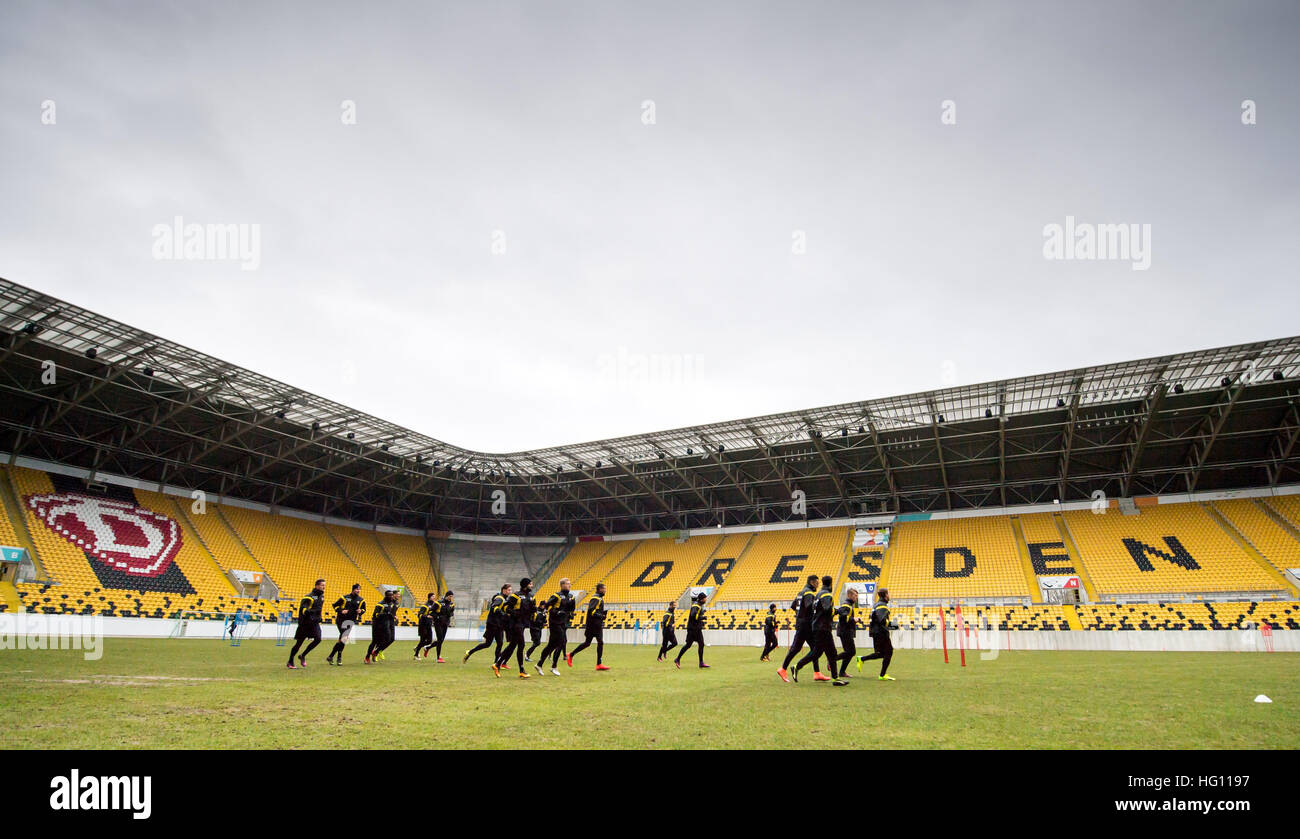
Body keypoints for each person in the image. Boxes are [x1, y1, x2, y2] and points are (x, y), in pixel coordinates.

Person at [793, 575, 846, 686]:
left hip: (818, 626)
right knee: (828, 652)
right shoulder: (826, 594)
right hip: (823, 627)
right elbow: (827, 610)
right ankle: (835, 678)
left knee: (819, 652)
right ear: (831, 584)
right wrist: (837, 611)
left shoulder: (818, 594)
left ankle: (797, 666)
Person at [778, 575, 820, 683]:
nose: (818, 584)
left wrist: (800, 614)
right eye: (816, 583)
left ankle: (817, 672)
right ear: (811, 582)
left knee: (812, 648)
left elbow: (793, 606)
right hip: (807, 625)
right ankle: (783, 668)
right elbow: (811, 608)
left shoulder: (801, 592)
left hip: (801, 623)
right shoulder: (809, 593)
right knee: (811, 648)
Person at [494, 578, 534, 678]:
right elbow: (506, 607)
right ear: (525, 585)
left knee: (512, 645)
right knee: (521, 645)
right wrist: (514, 613)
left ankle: (497, 664)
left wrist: (533, 609)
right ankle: (521, 670)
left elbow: (530, 609)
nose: (532, 585)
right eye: (530, 584)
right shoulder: (516, 595)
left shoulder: (531, 597)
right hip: (515, 624)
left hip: (523, 624)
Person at [534, 578, 575, 676]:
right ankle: (554, 666)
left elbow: (572, 608)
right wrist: (556, 612)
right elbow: (547, 606)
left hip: (563, 623)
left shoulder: (571, 596)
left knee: (551, 645)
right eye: (567, 584)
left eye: (570, 583)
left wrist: (570, 614)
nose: (569, 585)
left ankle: (539, 664)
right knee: (562, 642)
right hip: (554, 623)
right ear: (562, 585)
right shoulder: (556, 596)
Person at [567, 582, 609, 671]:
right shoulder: (596, 598)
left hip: (596, 624)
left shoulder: (598, 598)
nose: (605, 591)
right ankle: (571, 655)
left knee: (590, 643)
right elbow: (591, 611)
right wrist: (601, 616)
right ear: (600, 589)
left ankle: (598, 664)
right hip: (593, 625)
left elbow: (595, 611)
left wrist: (602, 615)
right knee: (596, 642)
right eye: (604, 589)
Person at [463, 584, 510, 663]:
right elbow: (494, 607)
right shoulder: (500, 598)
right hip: (493, 624)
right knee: (488, 644)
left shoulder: (503, 599)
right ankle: (470, 652)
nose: (510, 592)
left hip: (498, 625)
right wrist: (503, 614)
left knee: (499, 643)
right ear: (504, 590)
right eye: (509, 590)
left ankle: (496, 663)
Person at [858, 587, 897, 680]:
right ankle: (882, 675)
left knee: (881, 653)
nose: (889, 595)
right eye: (888, 594)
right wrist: (892, 624)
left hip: (876, 632)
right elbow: (882, 620)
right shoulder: (882, 606)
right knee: (889, 652)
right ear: (886, 595)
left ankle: (862, 659)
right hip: (881, 632)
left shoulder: (876, 605)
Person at [286, 579, 325, 669]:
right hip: (305, 624)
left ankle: (303, 655)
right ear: (317, 586)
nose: (324, 587)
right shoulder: (308, 597)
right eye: (322, 585)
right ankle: (290, 661)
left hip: (314, 623)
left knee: (318, 639)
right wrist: (313, 613)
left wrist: (319, 617)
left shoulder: (321, 597)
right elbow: (303, 610)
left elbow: (318, 610)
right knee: (299, 643)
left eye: (324, 585)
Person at [326, 583, 367, 665]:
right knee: (344, 637)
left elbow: (364, 609)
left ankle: (331, 656)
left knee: (342, 639)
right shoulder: (344, 598)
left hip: (350, 621)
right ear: (353, 589)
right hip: (341, 620)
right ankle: (338, 657)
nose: (358, 591)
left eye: (359, 589)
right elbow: (335, 606)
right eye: (357, 589)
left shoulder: (361, 600)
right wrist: (341, 610)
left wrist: (361, 611)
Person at [673, 591, 710, 669]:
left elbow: (695, 616)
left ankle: (700, 662)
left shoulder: (698, 605)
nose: (706, 599)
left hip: (695, 629)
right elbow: (693, 616)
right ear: (701, 599)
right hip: (693, 629)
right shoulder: (696, 606)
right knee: (692, 645)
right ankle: (678, 659)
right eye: (705, 598)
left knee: (697, 644)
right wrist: (702, 618)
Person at [365, 589, 398, 663]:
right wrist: (386, 614)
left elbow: (392, 612)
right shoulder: (380, 604)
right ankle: (367, 657)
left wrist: (394, 616)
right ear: (386, 596)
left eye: (392, 595)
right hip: (378, 624)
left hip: (388, 623)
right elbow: (375, 614)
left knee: (391, 639)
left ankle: (376, 652)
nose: (391, 596)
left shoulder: (393, 603)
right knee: (375, 641)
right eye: (390, 595)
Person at [836, 589, 860, 677]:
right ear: (849, 595)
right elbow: (842, 617)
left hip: (846, 631)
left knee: (849, 652)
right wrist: (853, 619)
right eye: (855, 596)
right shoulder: (846, 605)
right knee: (851, 652)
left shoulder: (849, 605)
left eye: (857, 596)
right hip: (845, 631)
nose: (856, 598)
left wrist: (853, 619)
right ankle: (833, 659)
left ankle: (842, 672)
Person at [415, 592, 439, 659]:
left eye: (434, 596)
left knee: (429, 641)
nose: (434, 598)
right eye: (432, 596)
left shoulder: (434, 605)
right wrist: (426, 616)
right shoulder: (425, 606)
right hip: (423, 625)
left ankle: (417, 648)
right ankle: (416, 655)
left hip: (429, 625)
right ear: (429, 597)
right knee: (422, 640)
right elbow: (419, 615)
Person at [433, 590, 454, 662]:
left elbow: (451, 613)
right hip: (438, 623)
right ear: (446, 596)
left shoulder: (452, 604)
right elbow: (431, 611)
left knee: (441, 640)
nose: (450, 598)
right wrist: (438, 617)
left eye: (451, 596)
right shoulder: (438, 603)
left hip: (445, 624)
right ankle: (438, 657)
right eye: (449, 596)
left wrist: (449, 617)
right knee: (439, 639)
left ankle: (428, 647)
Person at [525, 595, 547, 661]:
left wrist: (544, 622)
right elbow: (533, 620)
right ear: (541, 605)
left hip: (539, 628)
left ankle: (527, 655)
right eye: (544, 605)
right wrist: (542, 623)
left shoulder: (543, 612)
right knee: (537, 642)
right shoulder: (536, 611)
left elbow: (544, 620)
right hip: (534, 628)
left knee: (537, 643)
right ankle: (526, 655)